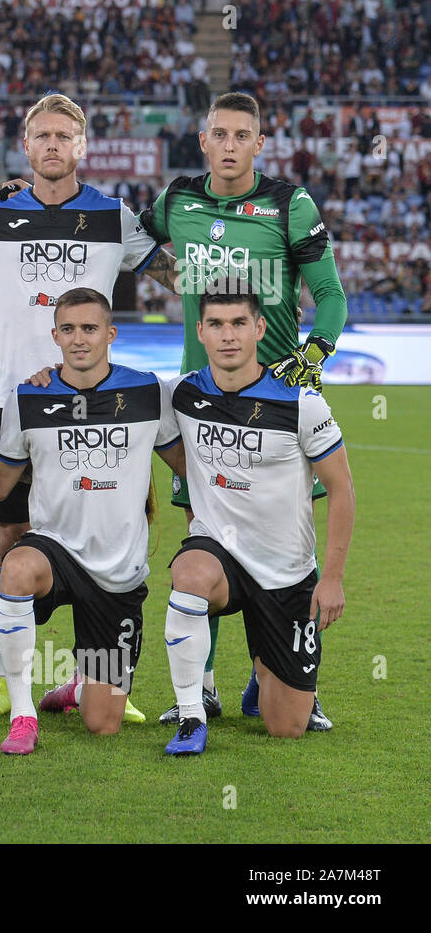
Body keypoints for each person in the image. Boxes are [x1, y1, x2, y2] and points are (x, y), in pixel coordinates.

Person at [0, 94, 175, 724]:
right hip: (12, 402)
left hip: (95, 401)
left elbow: (173, 274)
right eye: (42, 135)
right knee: (12, 541)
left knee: (99, 529)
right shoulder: (0, 216)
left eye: (63, 135)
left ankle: (90, 679)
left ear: (82, 146)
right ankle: (3, 682)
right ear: (26, 145)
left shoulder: (113, 217)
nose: (52, 145)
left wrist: (244, 291)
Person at [139, 92, 348, 729]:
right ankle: (199, 687)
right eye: (219, 134)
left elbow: (330, 295)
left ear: (260, 144)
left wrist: (313, 355)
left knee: (290, 540)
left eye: (242, 135)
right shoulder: (176, 201)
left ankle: (276, 673)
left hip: (278, 402)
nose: (230, 145)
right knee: (204, 531)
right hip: (203, 404)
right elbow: (120, 238)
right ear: (203, 141)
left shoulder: (290, 204)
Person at [0, 290, 185, 754]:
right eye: (68, 329)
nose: (79, 339)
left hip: (118, 571)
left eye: (89, 329)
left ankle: (74, 687)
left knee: (103, 725)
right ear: (55, 336)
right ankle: (23, 714)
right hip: (56, 550)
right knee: (16, 566)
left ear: (110, 333)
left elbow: (186, 463)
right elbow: (0, 483)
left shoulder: (147, 391)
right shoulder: (28, 397)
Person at [159, 285, 354, 754]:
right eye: (217, 325)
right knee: (189, 573)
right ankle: (191, 713)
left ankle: (265, 671)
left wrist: (332, 579)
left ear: (259, 329)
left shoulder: (301, 404)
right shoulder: (179, 393)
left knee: (285, 726)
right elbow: (99, 381)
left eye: (239, 324)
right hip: (219, 555)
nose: (229, 336)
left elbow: (343, 490)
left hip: (285, 572)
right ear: (200, 331)